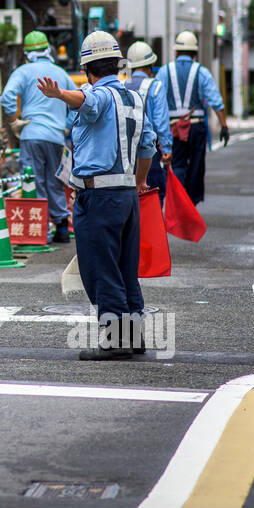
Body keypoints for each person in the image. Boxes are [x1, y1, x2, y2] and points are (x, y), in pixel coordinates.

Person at [38, 30, 157, 360]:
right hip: (127, 197)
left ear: (89, 70)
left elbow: (87, 102)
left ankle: (115, 341)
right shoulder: (135, 99)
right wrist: (139, 182)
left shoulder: (99, 95)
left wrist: (58, 93)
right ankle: (133, 336)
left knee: (101, 269)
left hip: (99, 198)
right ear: (118, 66)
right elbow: (148, 145)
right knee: (124, 268)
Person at [1, 30, 78, 243]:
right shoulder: (61, 73)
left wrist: (13, 121)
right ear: (48, 50)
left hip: (31, 135)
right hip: (55, 137)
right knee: (55, 180)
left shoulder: (22, 71)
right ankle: (62, 228)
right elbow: (77, 101)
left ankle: (40, 232)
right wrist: (66, 127)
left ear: (27, 53)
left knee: (33, 181)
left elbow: (6, 97)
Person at [161, 31, 229, 205]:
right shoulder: (202, 72)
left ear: (176, 52)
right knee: (197, 165)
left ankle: (178, 201)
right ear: (195, 53)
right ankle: (192, 202)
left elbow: (158, 101)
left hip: (173, 127)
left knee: (177, 164)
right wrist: (224, 126)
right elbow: (216, 102)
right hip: (196, 126)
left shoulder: (165, 71)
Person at [123, 40, 173, 204]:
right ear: (150, 65)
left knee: (130, 199)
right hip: (149, 154)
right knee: (152, 198)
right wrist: (166, 148)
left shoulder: (122, 87)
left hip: (125, 155)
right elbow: (160, 122)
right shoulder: (156, 86)